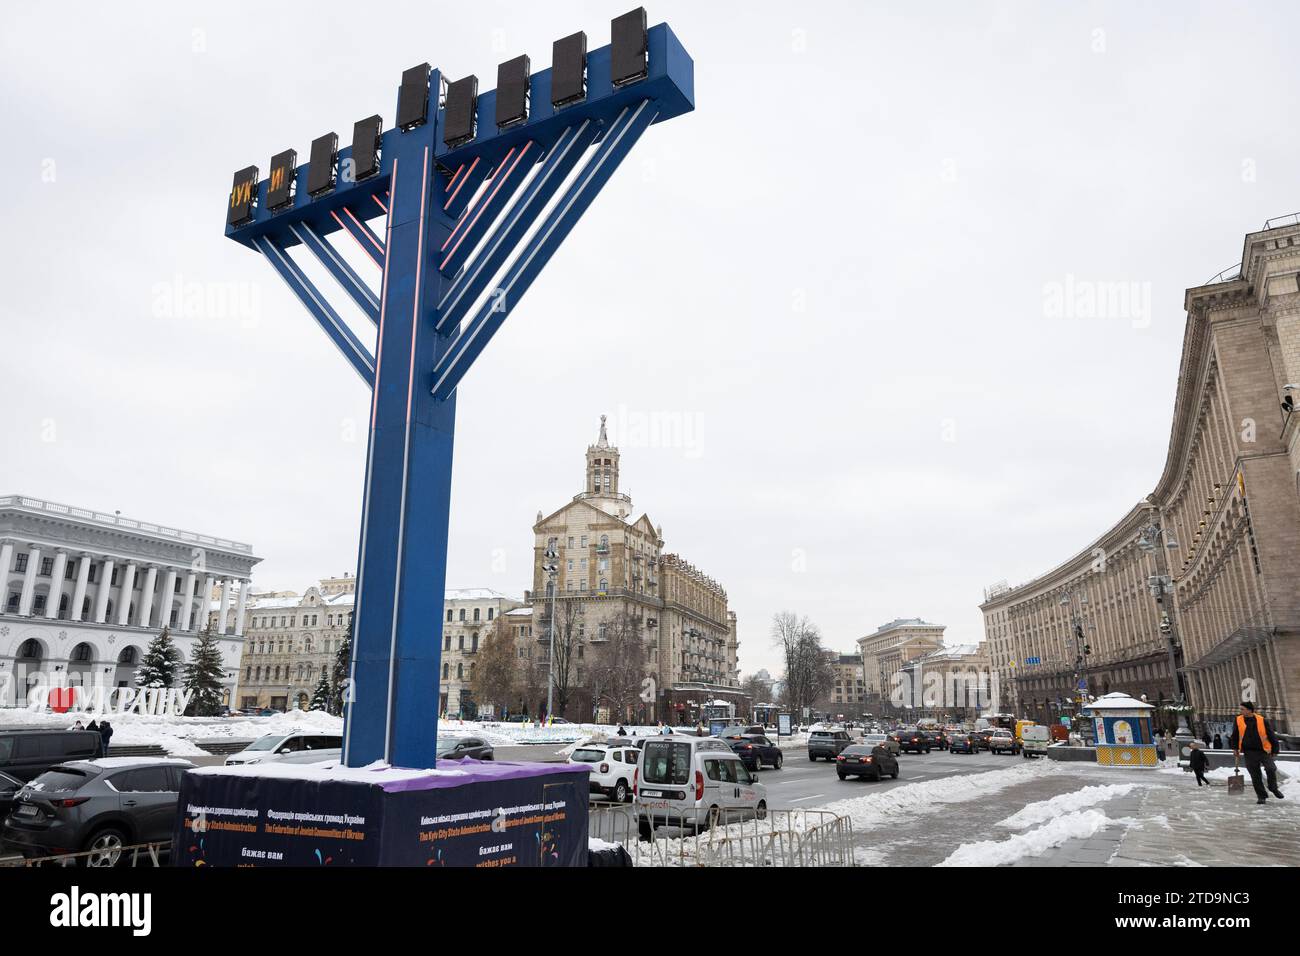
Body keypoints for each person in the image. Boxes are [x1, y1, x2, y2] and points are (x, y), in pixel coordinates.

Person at [1229, 701, 1284, 805]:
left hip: (1263, 750)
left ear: (1249, 710)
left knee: (1271, 768)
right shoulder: (1238, 720)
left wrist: (1275, 749)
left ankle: (1273, 788)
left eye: (1242, 709)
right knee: (1255, 775)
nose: (1240, 711)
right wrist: (1235, 749)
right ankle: (1261, 796)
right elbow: (1235, 735)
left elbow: (1271, 734)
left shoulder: (1261, 720)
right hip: (1249, 752)